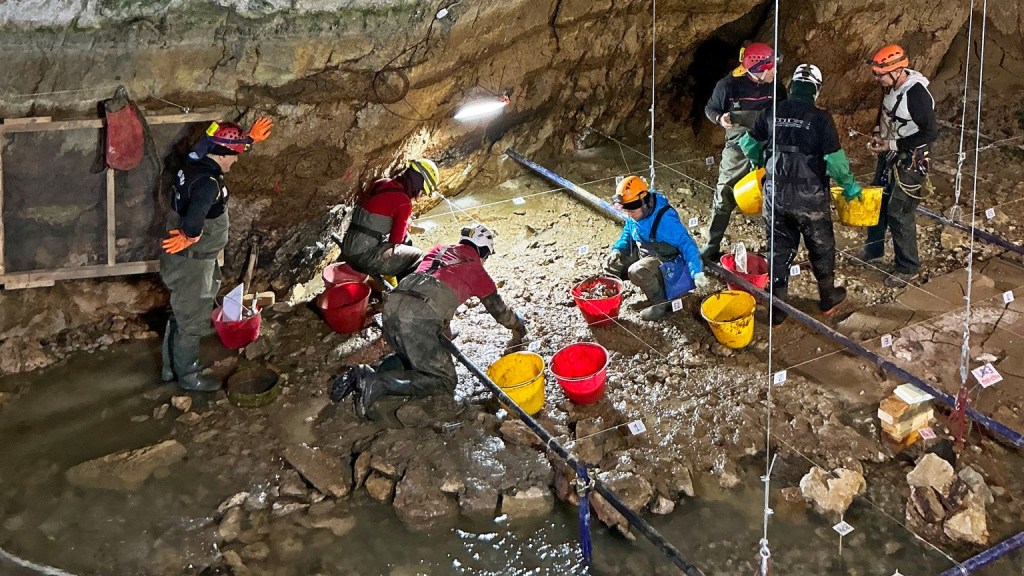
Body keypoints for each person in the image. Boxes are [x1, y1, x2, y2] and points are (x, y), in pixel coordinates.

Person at [333, 224, 527, 418]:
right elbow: (501, 313)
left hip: (392, 307)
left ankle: (364, 374)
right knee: (444, 380)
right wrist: (519, 325)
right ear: (483, 251)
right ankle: (378, 382)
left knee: (411, 357)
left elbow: (430, 288)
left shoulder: (438, 250)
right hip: (417, 319)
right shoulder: (476, 271)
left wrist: (443, 332)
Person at [738, 64, 862, 325]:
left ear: (793, 86)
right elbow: (836, 161)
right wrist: (849, 186)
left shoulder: (772, 111)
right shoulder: (820, 118)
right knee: (820, 244)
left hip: (777, 193)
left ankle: (778, 309)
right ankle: (828, 297)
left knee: (778, 247)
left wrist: (760, 162)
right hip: (810, 196)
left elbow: (748, 143)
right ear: (815, 90)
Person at [160, 118, 273, 391]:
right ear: (221, 155)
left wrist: (249, 140)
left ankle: (169, 368)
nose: (235, 161)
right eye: (234, 155)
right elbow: (196, 213)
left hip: (192, 262)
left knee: (180, 312)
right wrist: (191, 234)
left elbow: (210, 141)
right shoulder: (208, 184)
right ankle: (188, 376)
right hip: (193, 265)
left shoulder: (194, 161)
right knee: (191, 321)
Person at [701, 42, 788, 262]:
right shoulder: (728, 86)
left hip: (767, 147)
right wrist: (720, 118)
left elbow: (785, 111)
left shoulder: (776, 87)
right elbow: (710, 109)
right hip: (737, 148)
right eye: (771, 67)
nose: (775, 71)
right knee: (724, 195)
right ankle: (711, 246)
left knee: (772, 197)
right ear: (759, 69)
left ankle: (774, 251)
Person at [861, 44, 938, 287]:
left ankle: (908, 266)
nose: (876, 78)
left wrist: (892, 144)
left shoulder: (916, 95)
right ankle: (873, 251)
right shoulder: (890, 88)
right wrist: (877, 133)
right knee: (878, 200)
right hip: (892, 152)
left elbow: (930, 133)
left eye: (879, 74)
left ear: (896, 71)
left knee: (899, 210)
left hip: (912, 159)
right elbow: (884, 113)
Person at [605, 175, 708, 321]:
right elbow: (628, 232)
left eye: (632, 212)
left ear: (644, 204)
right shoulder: (635, 213)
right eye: (627, 212)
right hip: (646, 252)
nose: (629, 215)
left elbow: (687, 244)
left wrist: (696, 271)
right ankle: (652, 295)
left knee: (637, 271)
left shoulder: (665, 220)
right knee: (611, 266)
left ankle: (661, 304)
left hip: (666, 260)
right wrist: (617, 249)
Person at [339, 159, 439, 280]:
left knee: (407, 240)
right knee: (417, 256)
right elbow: (396, 241)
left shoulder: (382, 182)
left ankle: (391, 282)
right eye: (422, 192)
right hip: (361, 258)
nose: (420, 196)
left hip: (347, 248)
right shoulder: (404, 203)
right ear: (418, 186)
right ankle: (404, 293)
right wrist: (406, 223)